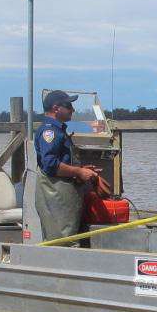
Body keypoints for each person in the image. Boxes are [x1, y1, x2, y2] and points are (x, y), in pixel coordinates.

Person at [33, 90, 102, 241]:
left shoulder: (59, 130)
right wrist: (78, 172)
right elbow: (49, 164)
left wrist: (83, 169)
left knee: (69, 236)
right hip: (55, 194)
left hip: (64, 194)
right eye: (69, 105)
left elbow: (62, 160)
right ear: (56, 108)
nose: (73, 109)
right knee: (62, 239)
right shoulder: (49, 131)